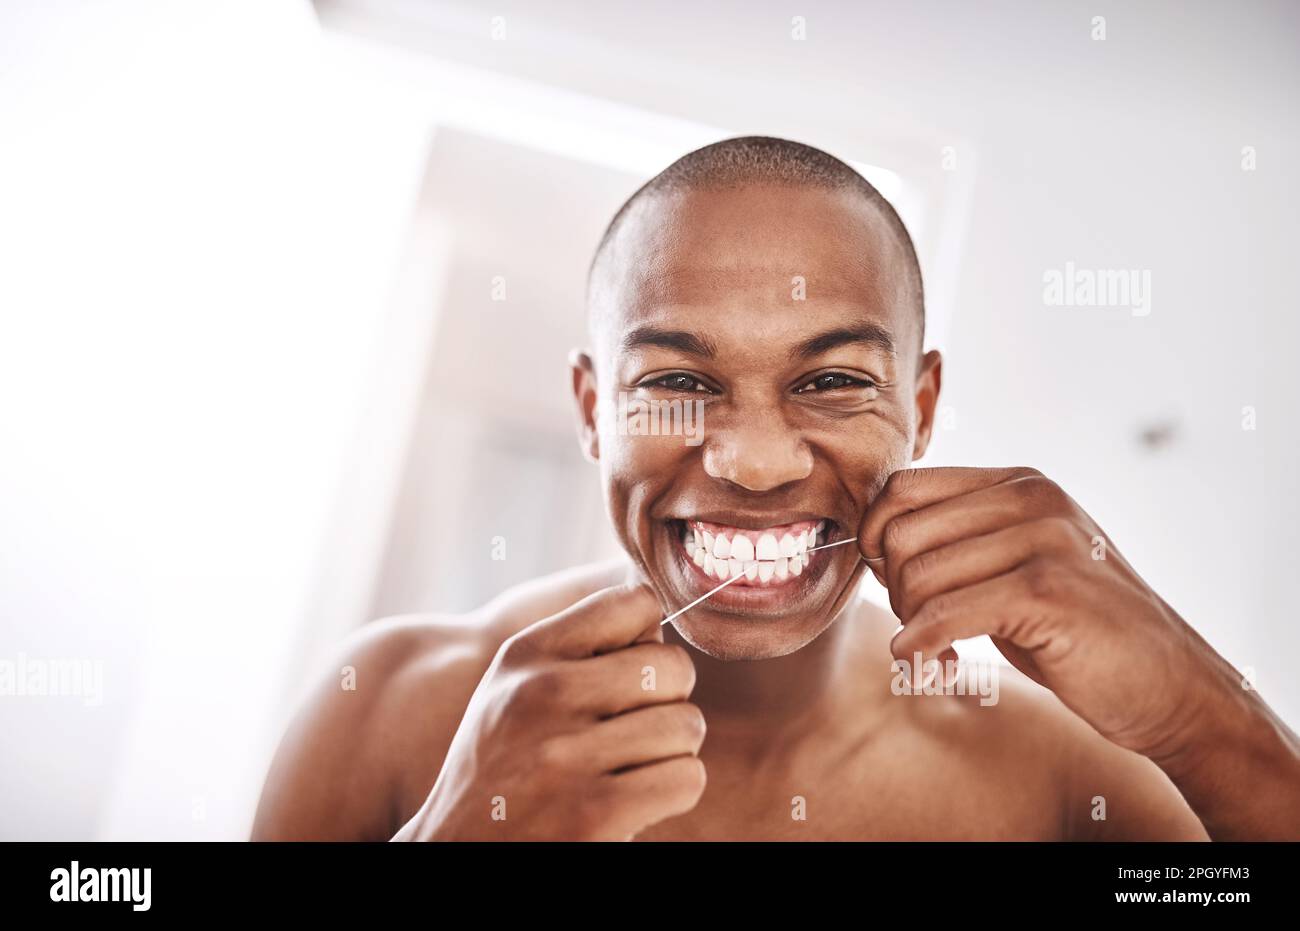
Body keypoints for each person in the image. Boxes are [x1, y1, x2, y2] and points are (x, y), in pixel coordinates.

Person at [252, 137, 1299, 841]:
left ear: (920, 406)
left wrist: (1204, 714)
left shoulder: (1067, 775)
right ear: (590, 410)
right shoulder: (394, 706)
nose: (755, 463)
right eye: (675, 381)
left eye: (832, 381)